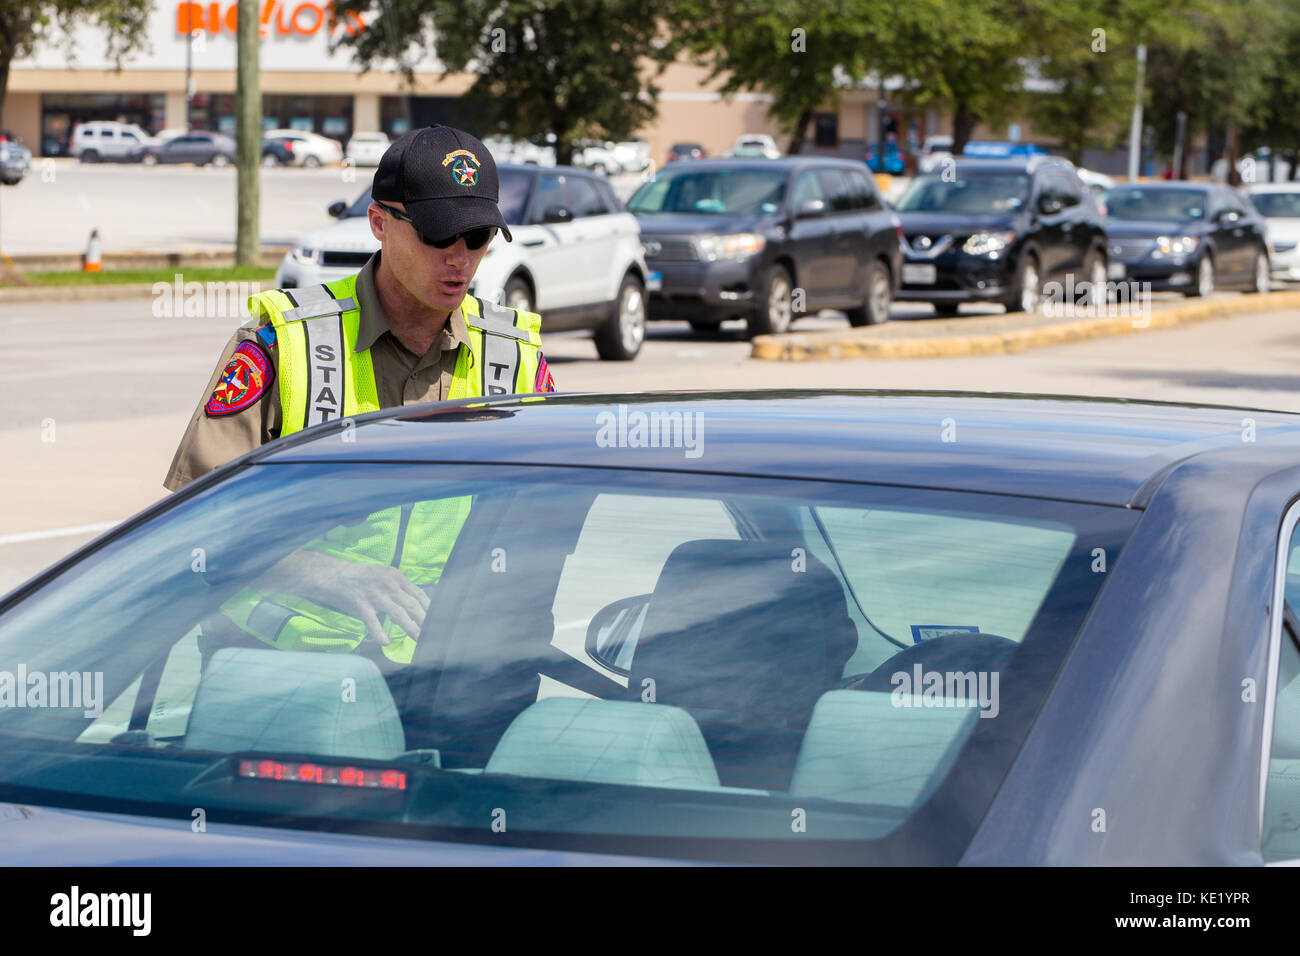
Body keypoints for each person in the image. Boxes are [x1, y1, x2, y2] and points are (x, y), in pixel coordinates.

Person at [166, 124, 557, 665]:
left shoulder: (516, 357)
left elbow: (550, 526)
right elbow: (197, 521)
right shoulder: (285, 342)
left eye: (477, 237)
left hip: (458, 671)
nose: (459, 259)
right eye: (438, 235)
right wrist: (322, 574)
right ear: (379, 223)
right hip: (282, 662)